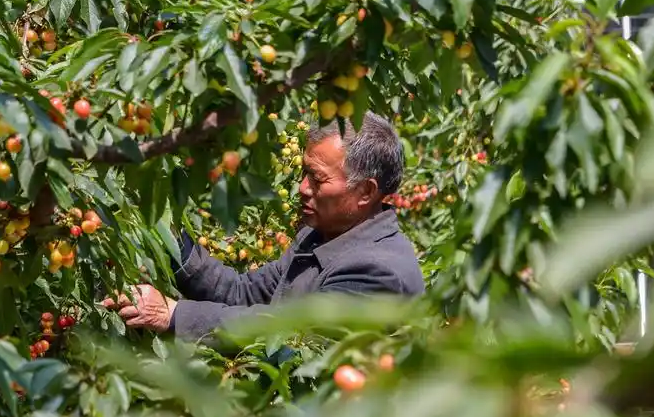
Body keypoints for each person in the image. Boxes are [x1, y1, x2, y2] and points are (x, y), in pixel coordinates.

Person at [104, 113, 425, 342]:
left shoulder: (377, 271)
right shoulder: (320, 237)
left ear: (366, 192)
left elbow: (293, 335)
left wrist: (173, 315)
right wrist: (166, 234)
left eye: (317, 178)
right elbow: (241, 293)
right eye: (303, 173)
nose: (301, 188)